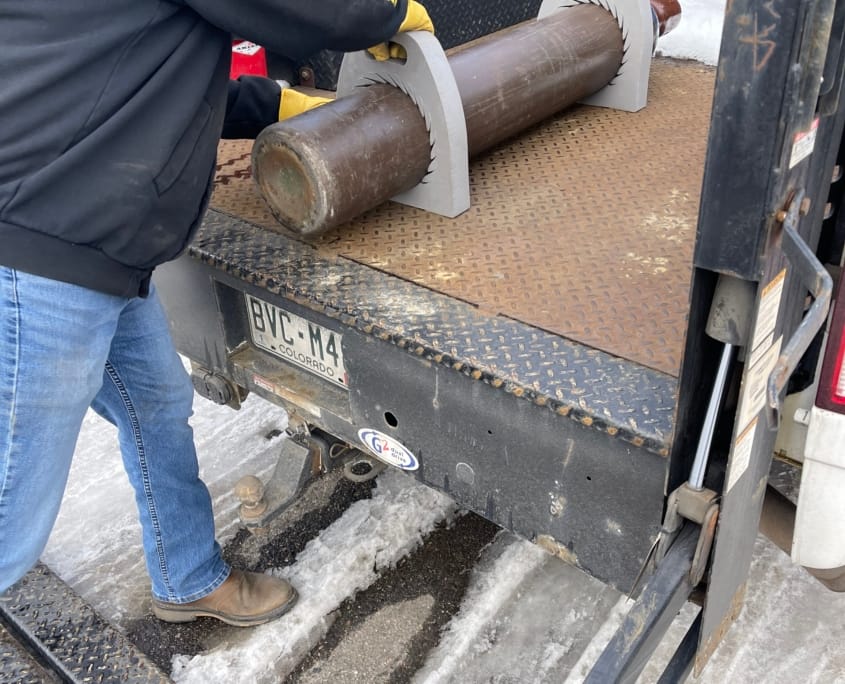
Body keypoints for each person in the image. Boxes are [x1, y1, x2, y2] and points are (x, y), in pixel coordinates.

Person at [0, 0, 433, 627]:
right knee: (13, 512)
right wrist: (386, 14)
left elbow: (156, 79)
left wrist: (276, 106)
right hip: (41, 259)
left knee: (156, 409)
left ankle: (188, 578)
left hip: (99, 253)